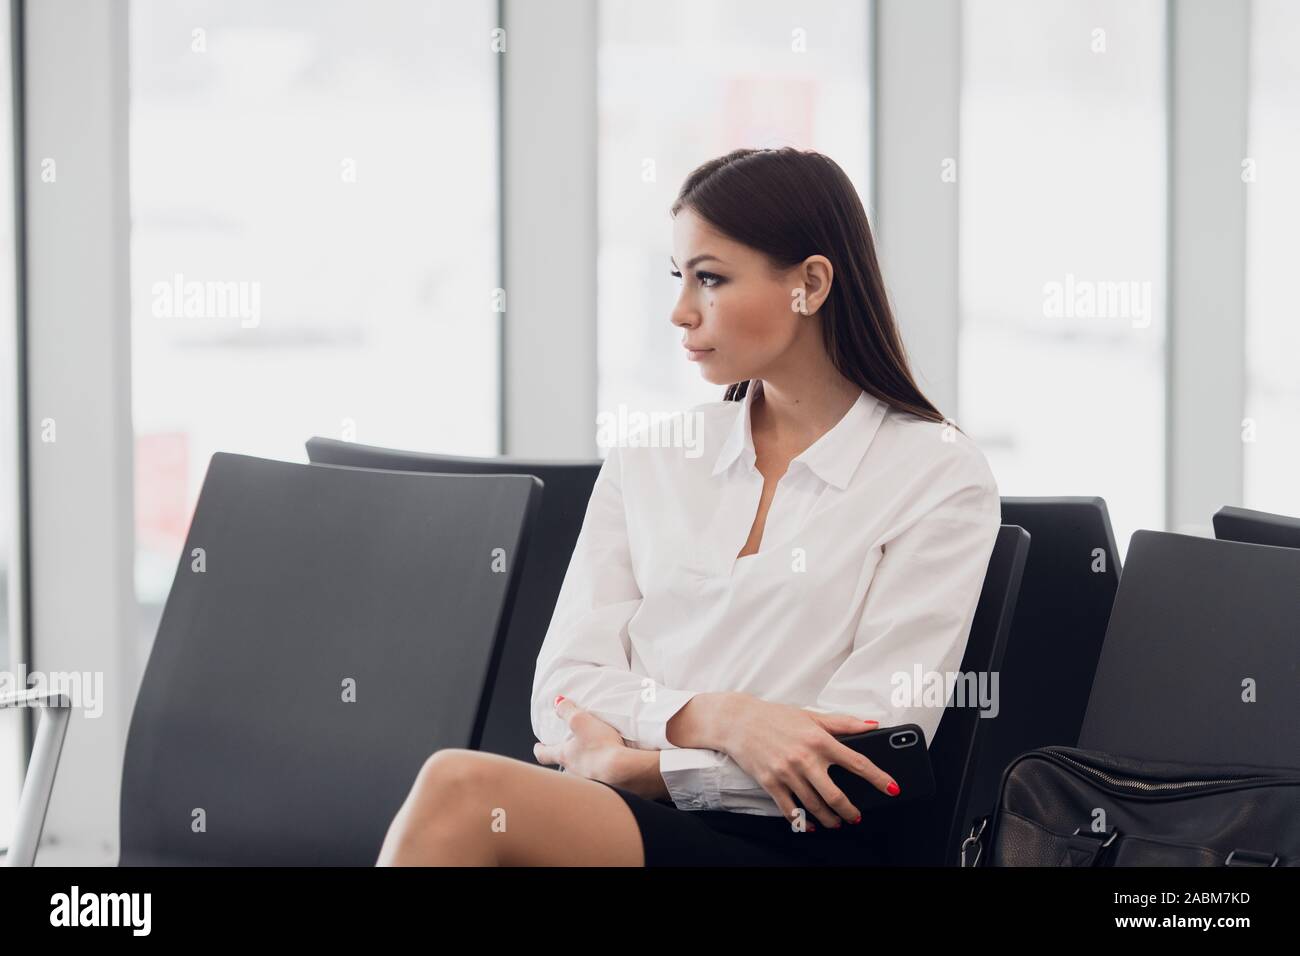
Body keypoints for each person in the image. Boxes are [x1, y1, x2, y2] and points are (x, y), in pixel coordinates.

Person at [376, 146, 1001, 866]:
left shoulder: (937, 474)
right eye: (680, 278)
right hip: (636, 823)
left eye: (710, 279)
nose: (679, 312)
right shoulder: (651, 458)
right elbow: (564, 690)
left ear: (811, 284)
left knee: (463, 790)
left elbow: (862, 753)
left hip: (803, 842)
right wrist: (721, 717)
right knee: (461, 795)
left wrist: (638, 767)